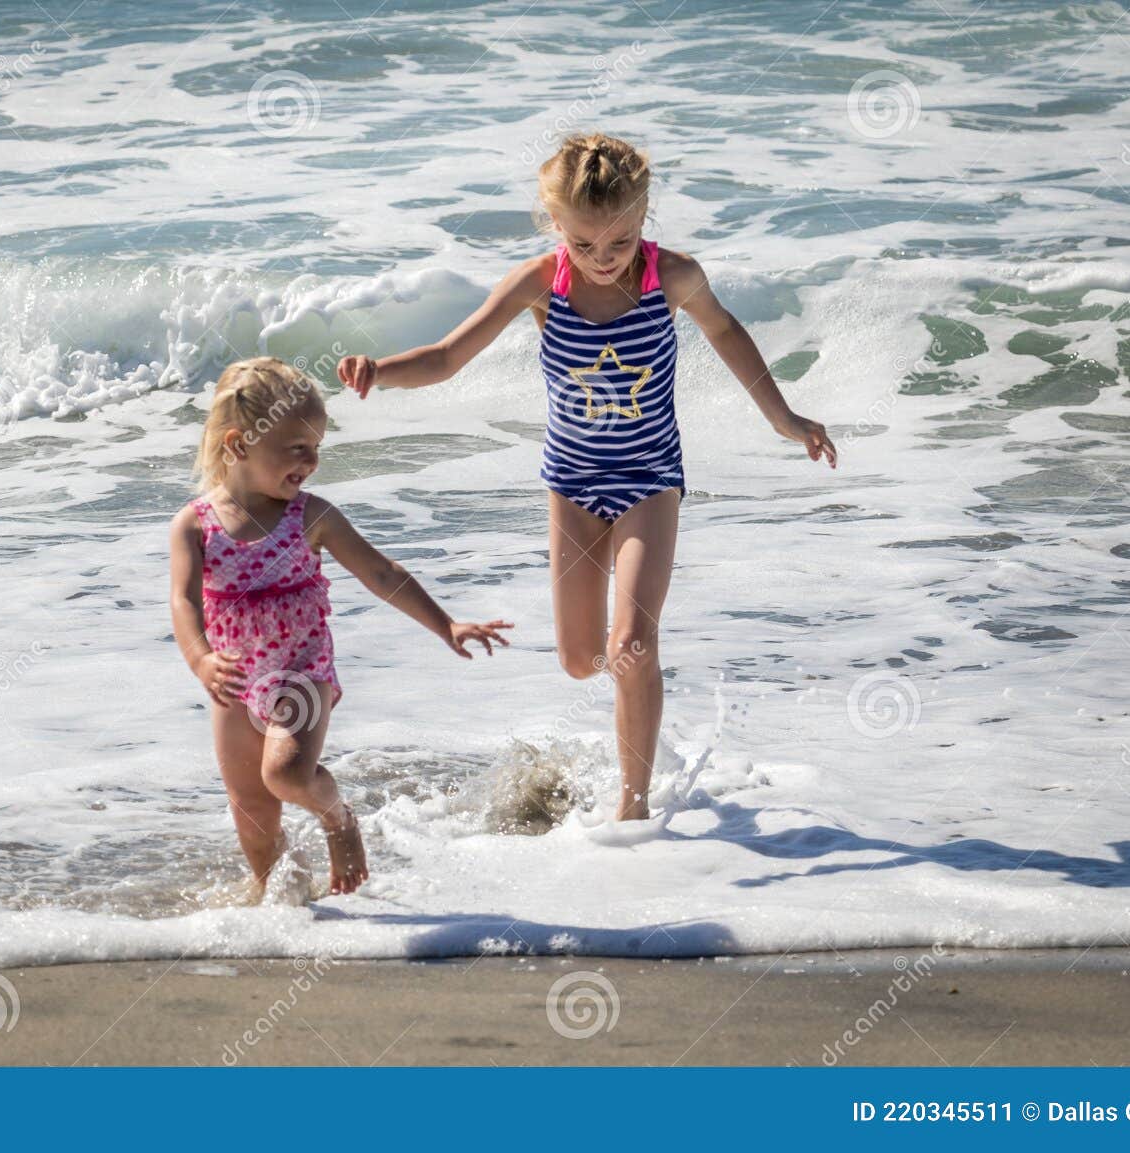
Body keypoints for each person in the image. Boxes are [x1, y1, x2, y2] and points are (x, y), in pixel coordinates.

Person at [337, 133, 837, 821]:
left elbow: (725, 332)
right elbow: (450, 356)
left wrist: (784, 417)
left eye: (621, 242)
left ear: (643, 218)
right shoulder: (541, 283)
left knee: (631, 647)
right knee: (581, 660)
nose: (603, 260)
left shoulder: (674, 277)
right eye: (584, 245)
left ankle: (631, 813)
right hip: (571, 484)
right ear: (556, 229)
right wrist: (380, 371)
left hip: (649, 478)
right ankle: (638, 707)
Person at [170, 356, 512, 895]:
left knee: (284, 776)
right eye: (297, 449)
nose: (312, 461)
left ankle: (338, 820)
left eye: (317, 447)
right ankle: (285, 907)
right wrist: (200, 659)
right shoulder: (195, 524)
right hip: (232, 683)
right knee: (253, 818)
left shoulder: (310, 516)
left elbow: (380, 571)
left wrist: (445, 625)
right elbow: (183, 602)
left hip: (300, 672)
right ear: (238, 446)